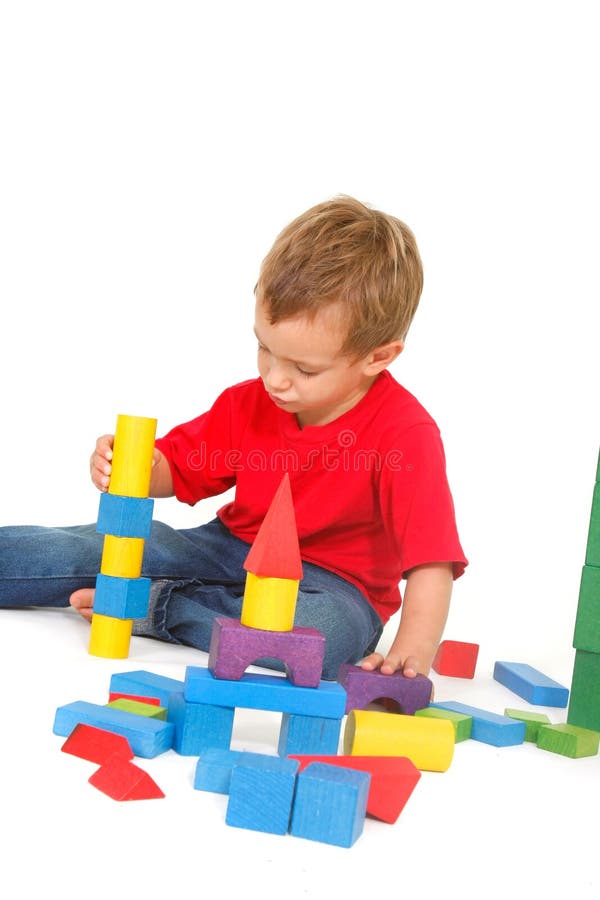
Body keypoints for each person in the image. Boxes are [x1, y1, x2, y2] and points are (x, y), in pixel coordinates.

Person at [0, 195, 467, 680]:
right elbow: (175, 468)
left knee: (321, 644)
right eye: (265, 348)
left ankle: (158, 606)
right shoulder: (249, 402)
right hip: (229, 550)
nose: (275, 379)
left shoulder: (406, 434)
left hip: (333, 586)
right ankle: (154, 590)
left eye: (305, 369)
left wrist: (414, 646)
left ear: (378, 357)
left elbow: (430, 557)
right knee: (87, 548)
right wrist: (132, 465)